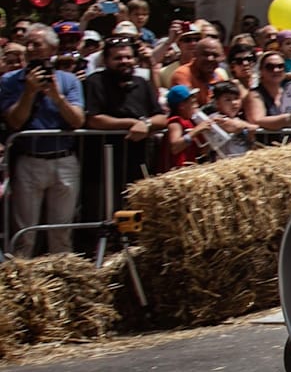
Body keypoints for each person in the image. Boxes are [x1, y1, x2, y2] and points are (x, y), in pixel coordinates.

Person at [2, 24, 86, 255]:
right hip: (29, 161)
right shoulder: (10, 81)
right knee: (24, 233)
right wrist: (29, 93)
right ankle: (21, 282)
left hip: (64, 161)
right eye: (27, 44)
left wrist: (57, 98)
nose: (30, 49)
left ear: (52, 48)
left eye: (36, 44)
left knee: (61, 231)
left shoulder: (69, 81)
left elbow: (78, 121)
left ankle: (62, 280)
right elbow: (15, 122)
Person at [83, 34, 170, 194]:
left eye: (128, 57)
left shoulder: (142, 83)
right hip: (103, 163)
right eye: (118, 58)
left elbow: (161, 118)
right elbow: (93, 120)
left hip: (139, 161)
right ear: (106, 60)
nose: (124, 62)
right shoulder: (95, 82)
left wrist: (146, 124)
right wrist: (131, 124)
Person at [160, 84, 205, 168]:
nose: (196, 106)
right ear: (182, 106)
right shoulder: (175, 122)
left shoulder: (189, 121)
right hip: (177, 170)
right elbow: (175, 147)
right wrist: (197, 130)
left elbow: (201, 150)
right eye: (192, 103)